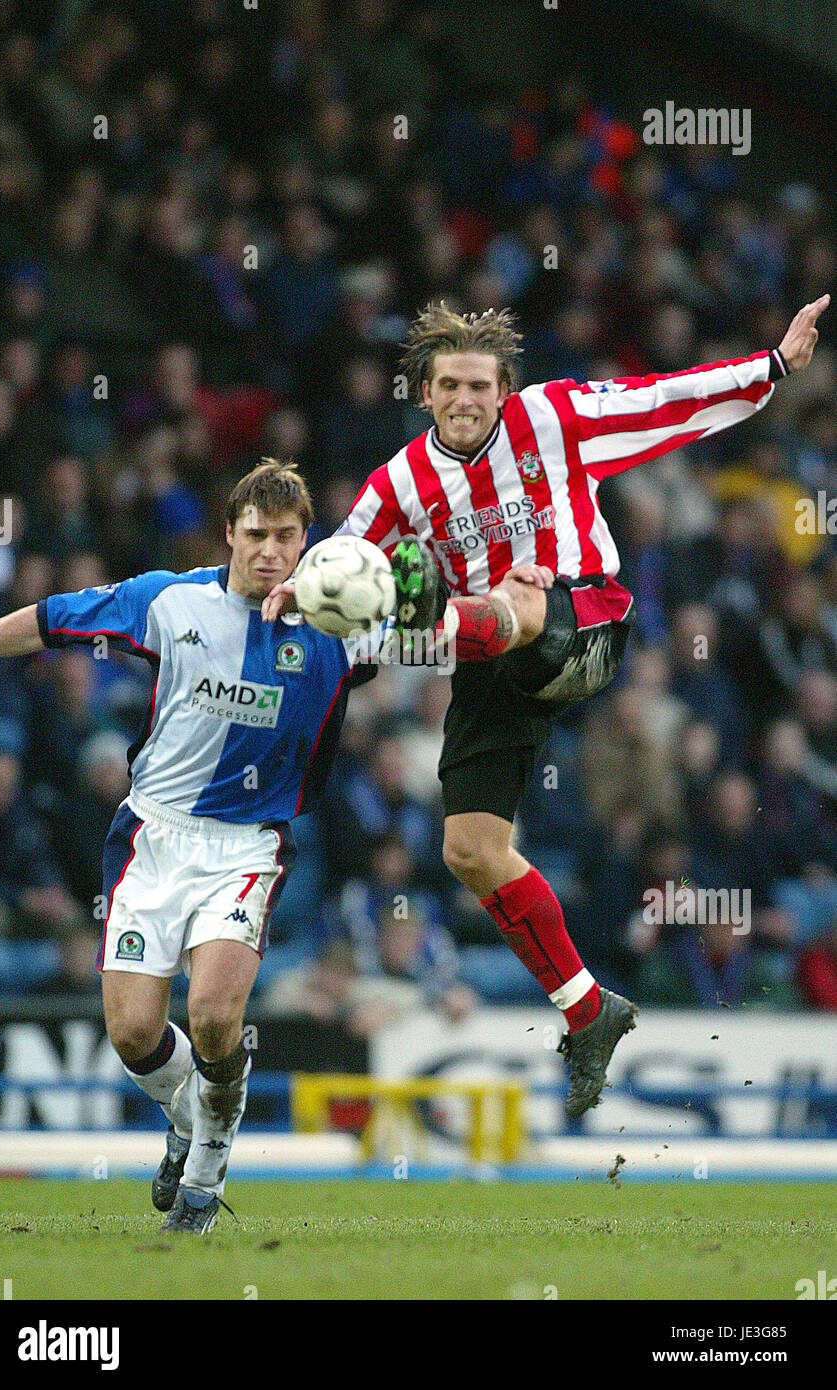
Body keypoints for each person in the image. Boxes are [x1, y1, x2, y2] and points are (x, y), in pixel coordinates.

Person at [265, 293, 829, 1119]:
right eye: (447, 385)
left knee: (512, 596)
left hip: (580, 617)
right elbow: (341, 559)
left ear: (502, 391)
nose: (463, 400)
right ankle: (588, 1008)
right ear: (424, 392)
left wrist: (771, 367)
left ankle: (423, 618)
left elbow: (663, 399)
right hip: (491, 663)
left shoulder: (554, 417)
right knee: (469, 849)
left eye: (479, 386)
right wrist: (297, 590)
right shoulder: (400, 483)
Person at [0, 459, 377, 1233]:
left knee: (218, 1016)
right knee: (131, 1034)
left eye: (285, 538)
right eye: (254, 535)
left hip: (246, 846)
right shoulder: (167, 599)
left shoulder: (340, 625)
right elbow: (51, 618)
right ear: (228, 534)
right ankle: (188, 1118)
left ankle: (208, 1163)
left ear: (305, 544)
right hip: (153, 838)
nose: (267, 552)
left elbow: (449, 635)